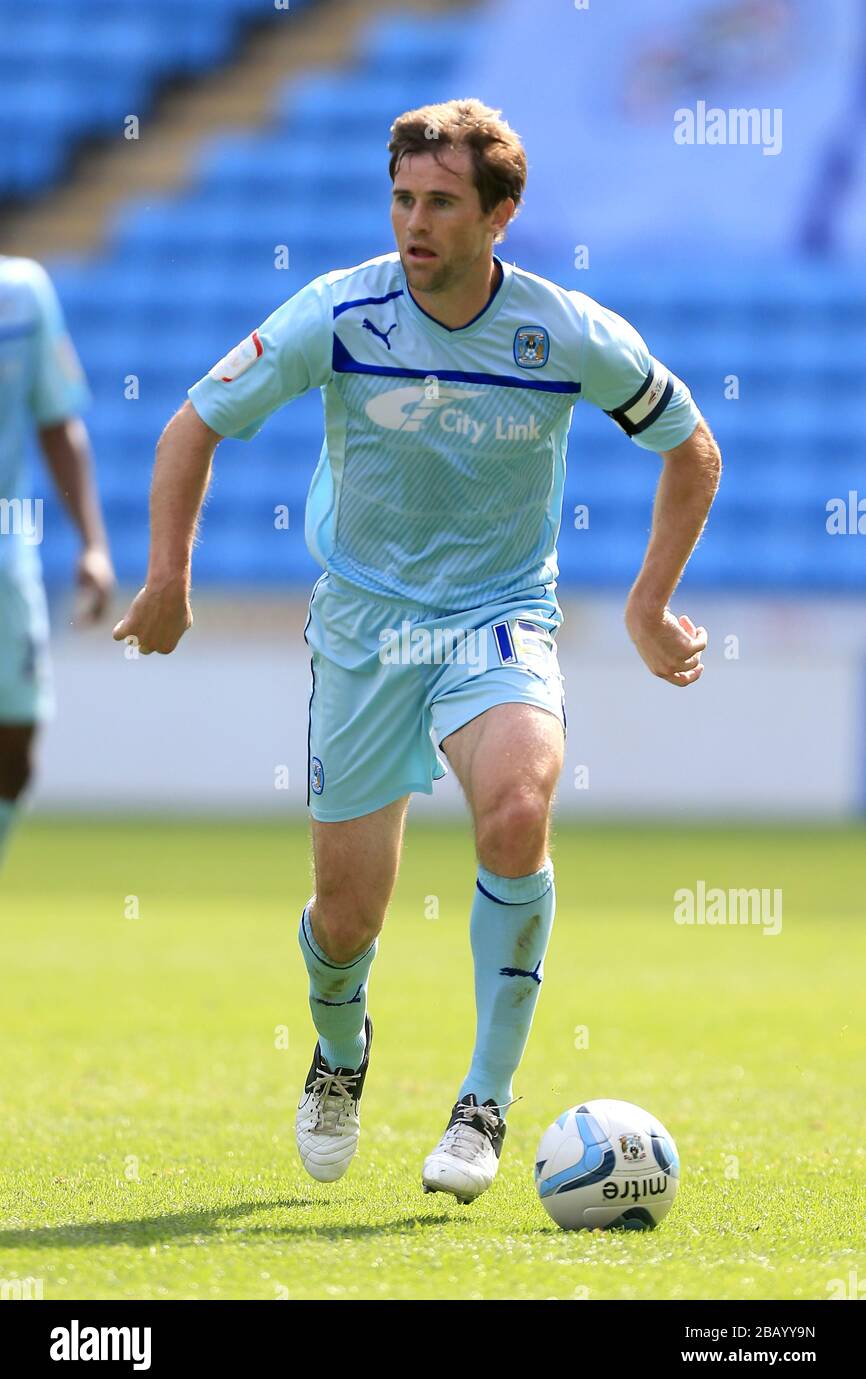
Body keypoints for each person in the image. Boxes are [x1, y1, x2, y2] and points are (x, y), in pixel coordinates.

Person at [113, 99, 721, 1204]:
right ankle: (339, 1054)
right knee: (344, 923)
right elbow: (192, 421)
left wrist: (646, 604)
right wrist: (166, 579)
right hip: (362, 630)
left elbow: (691, 445)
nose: (414, 222)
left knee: (517, 812)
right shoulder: (340, 312)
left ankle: (483, 1100)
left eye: (440, 202)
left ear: (500, 213)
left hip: (496, 614)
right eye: (401, 199)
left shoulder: (564, 330)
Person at [0, 255, 114, 869]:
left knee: (16, 745)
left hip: (5, 558)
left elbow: (56, 420)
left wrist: (92, 543)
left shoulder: (22, 294)